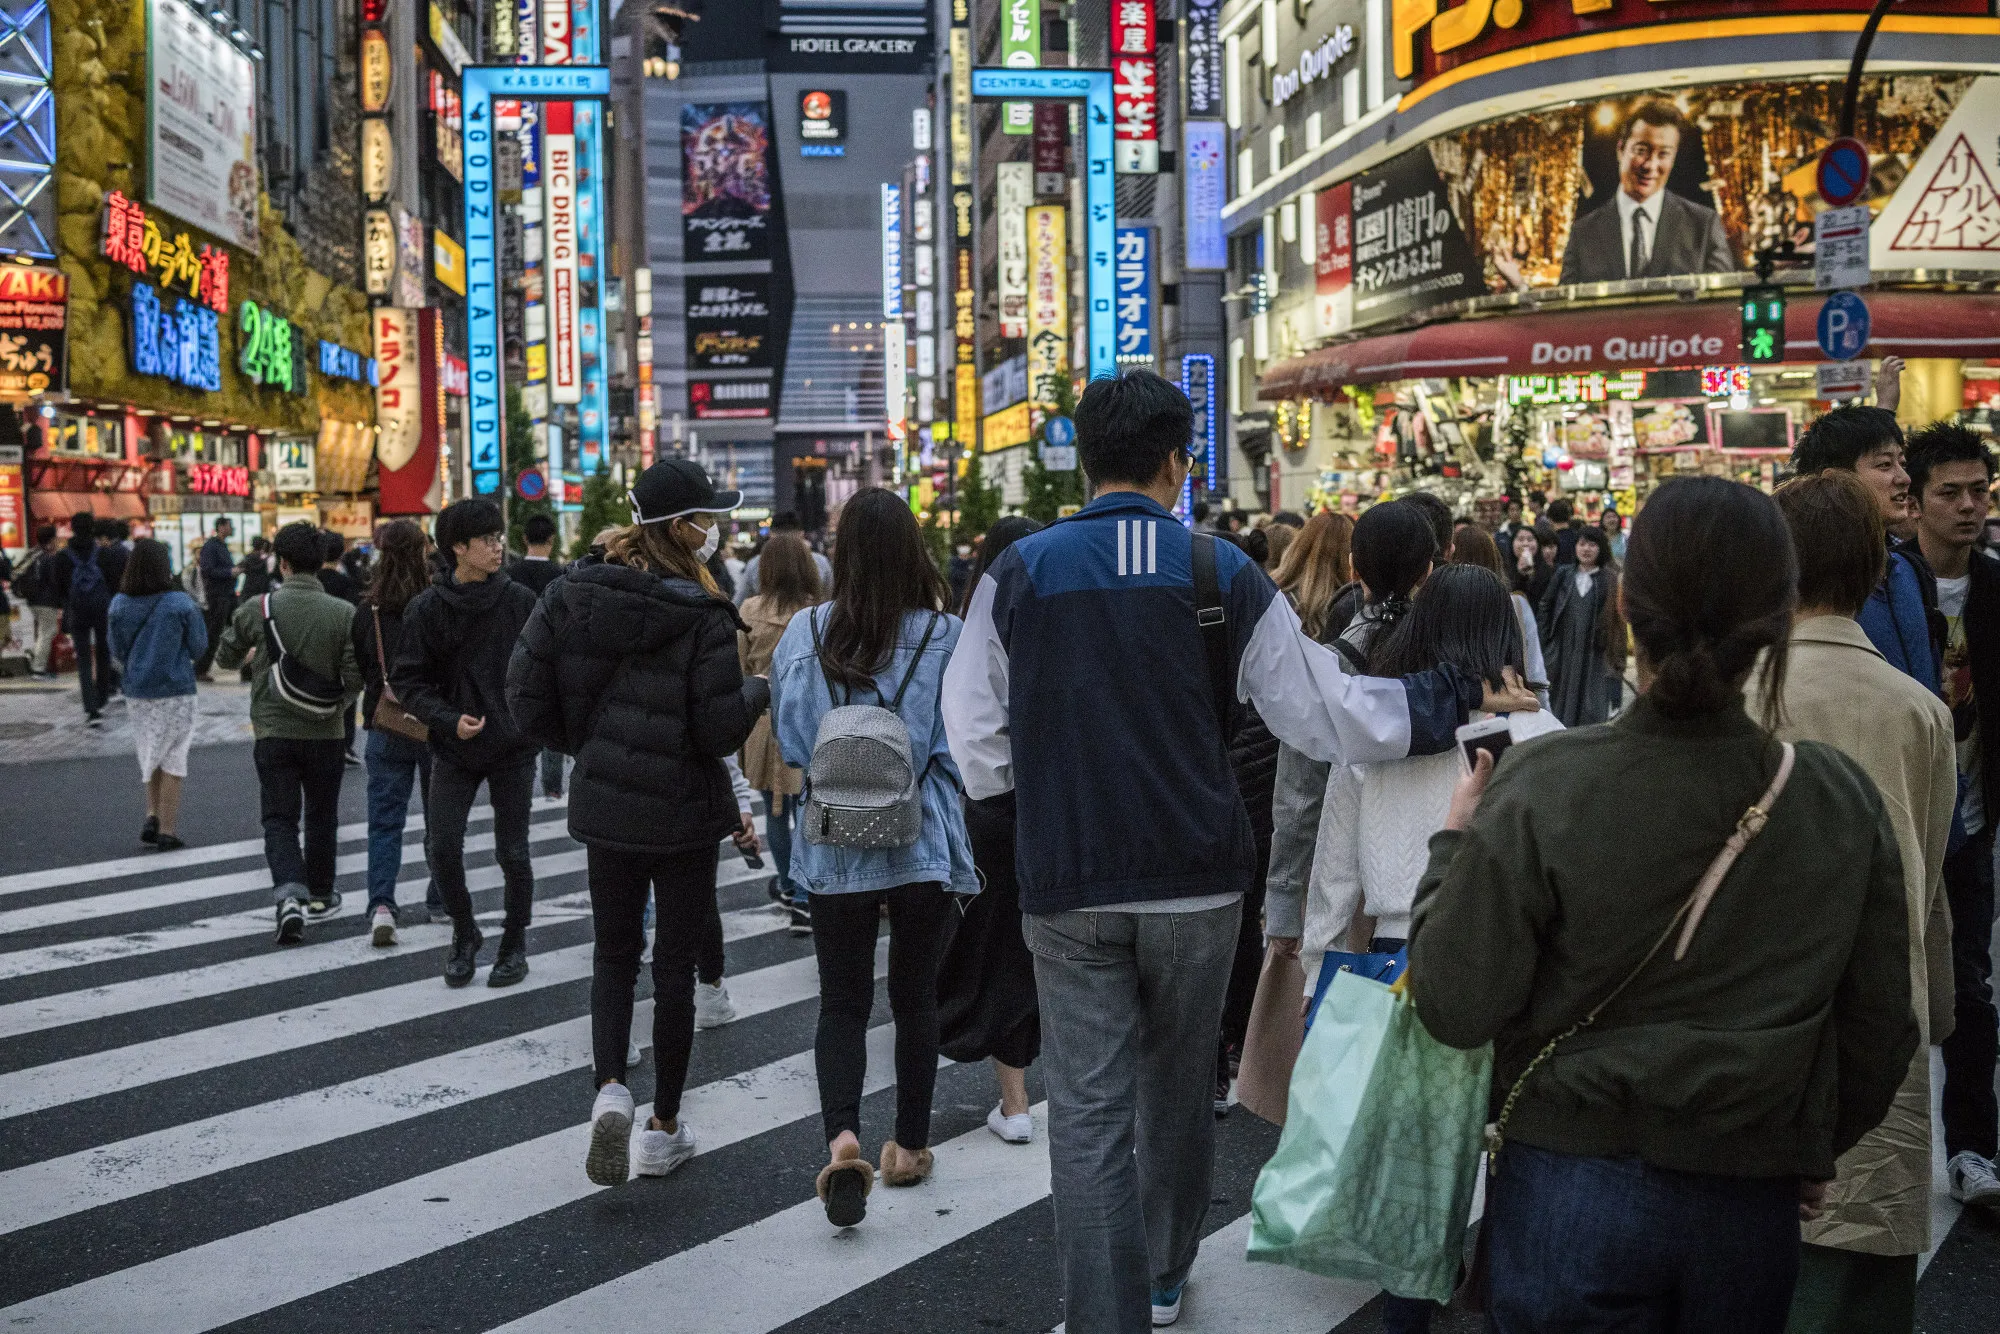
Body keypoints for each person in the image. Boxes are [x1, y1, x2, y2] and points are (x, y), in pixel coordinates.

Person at [940, 370, 1532, 1332]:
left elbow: (971, 738)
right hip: (1198, 881)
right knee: (1177, 1087)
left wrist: (1026, 829)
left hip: (1069, 884)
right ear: (1179, 463)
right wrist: (1451, 698)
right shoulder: (1219, 572)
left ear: (1085, 462)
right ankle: (1170, 1270)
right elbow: (1325, 712)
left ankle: (1107, 1316)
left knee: (1087, 1113)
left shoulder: (1020, 573)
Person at [1408, 476, 1917, 1332]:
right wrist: (1807, 1140)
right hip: (1748, 1191)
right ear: (1779, 613)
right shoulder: (1833, 798)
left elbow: (1455, 1003)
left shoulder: (1547, 783)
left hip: (1568, 1172)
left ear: (1624, 608)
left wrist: (1453, 842)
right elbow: (1879, 1024)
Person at [1305, 564, 1565, 1334]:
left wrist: (1320, 973)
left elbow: (1335, 873)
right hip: (1520, 971)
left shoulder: (1381, 736)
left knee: (1414, 1181)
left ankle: (1408, 1318)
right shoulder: (1544, 738)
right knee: (1517, 1160)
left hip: (1396, 965)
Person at [508, 457, 770, 1186]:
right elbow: (718, 729)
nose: (715, 529)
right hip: (682, 812)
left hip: (607, 806)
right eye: (707, 518)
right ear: (680, 528)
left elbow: (522, 693)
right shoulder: (704, 614)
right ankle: (661, 1128)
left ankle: (609, 1092)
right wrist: (757, 691)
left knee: (613, 954)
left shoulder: (572, 595)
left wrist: (588, 747)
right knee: (675, 970)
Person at [1759, 471, 1957, 1331]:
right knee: (1866, 1259)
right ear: (1880, 569)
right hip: (1885, 1016)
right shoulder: (1920, 711)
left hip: (1758, 1018)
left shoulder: (1745, 695)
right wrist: (1938, 1007)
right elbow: (1934, 869)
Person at [768, 488, 975, 1226]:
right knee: (915, 1000)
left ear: (843, 553)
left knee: (843, 1002)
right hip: (923, 838)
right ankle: (910, 1146)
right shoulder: (947, 636)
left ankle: (842, 1138)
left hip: (834, 841)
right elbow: (966, 743)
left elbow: (794, 744)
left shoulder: (805, 632)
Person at [1903, 421, 2000, 1210]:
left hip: (1969, 825)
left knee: (1972, 987)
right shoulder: (1887, 585)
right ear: (1918, 500)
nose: (1968, 506)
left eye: (1979, 491)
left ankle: (1973, 1148)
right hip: (1898, 819)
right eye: (1951, 493)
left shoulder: (1997, 587)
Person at [392, 499, 540, 988]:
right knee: (442, 846)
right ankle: (464, 931)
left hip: (513, 745)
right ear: (458, 548)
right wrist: (447, 719)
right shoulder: (428, 608)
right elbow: (408, 681)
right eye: (487, 539)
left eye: (500, 537)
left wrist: (534, 721)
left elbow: (543, 666)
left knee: (513, 852)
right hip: (453, 745)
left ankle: (515, 940)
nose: (499, 547)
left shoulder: (519, 600)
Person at [937, 517, 1045, 1145]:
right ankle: (1017, 1100)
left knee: (984, 943)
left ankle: (1010, 1099)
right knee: (1032, 950)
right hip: (1054, 804)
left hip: (979, 808)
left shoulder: (963, 630)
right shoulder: (1060, 621)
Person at [213, 521, 363, 943]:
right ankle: (319, 893)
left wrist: (256, 657)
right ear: (320, 564)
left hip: (273, 729)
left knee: (279, 817)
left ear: (282, 563)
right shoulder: (344, 613)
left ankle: (289, 894)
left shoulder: (257, 609)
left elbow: (224, 659)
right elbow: (355, 676)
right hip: (327, 730)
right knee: (321, 814)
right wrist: (335, 704)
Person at [1793, 404, 1941, 692]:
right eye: (1885, 465)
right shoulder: (1809, 581)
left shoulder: (1910, 571)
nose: (1904, 478)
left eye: (1902, 462)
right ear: (1833, 478)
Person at [352, 519, 442, 942]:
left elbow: (365, 668)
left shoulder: (367, 611)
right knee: (439, 817)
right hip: (434, 722)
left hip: (385, 722)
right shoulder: (438, 603)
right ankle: (440, 897)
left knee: (385, 822)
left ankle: (382, 905)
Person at [737, 530, 822, 934]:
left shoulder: (749, 610)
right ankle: (806, 896)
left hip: (762, 722)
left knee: (775, 809)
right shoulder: (821, 612)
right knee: (809, 807)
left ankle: (788, 885)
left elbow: (738, 671)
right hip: (812, 722)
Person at [1554, 102, 1735, 284]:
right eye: (1641, 150)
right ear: (1620, 150)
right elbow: (1567, 309)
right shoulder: (1584, 234)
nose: (1650, 165)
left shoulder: (1703, 226)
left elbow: (1721, 303)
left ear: (1673, 158)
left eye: (1663, 154)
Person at [108, 539, 208, 852]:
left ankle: (151, 814)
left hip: (137, 691)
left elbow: (116, 651)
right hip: (176, 688)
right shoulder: (179, 603)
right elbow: (199, 646)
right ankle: (167, 829)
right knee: (174, 757)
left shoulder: (119, 604)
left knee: (150, 751)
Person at [1538, 524, 1626, 725]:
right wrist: (1546, 643)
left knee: (1592, 703)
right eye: (1582, 543)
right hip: (1564, 650)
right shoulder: (1564, 575)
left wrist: (1616, 658)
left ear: (1601, 548)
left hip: (1595, 653)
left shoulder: (1609, 579)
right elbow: (1545, 606)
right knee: (1559, 700)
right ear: (1575, 547)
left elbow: (1617, 621)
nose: (1586, 549)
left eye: (1592, 544)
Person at [1453, 525, 1550, 704]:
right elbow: (1535, 669)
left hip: (1458, 706)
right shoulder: (1516, 605)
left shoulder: (1440, 606)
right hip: (1510, 707)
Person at [507, 512, 568, 798]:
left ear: (524, 538)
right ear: (552, 540)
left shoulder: (509, 575)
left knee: (516, 714)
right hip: (552, 659)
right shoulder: (561, 576)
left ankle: (518, 779)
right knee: (551, 722)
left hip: (514, 655)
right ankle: (552, 789)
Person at [50, 512, 117, 726]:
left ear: (72, 528)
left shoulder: (62, 557)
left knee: (84, 657)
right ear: (93, 529)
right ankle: (103, 695)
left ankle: (90, 706)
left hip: (77, 610)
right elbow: (115, 584)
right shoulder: (105, 554)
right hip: (102, 609)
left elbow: (58, 587)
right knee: (104, 652)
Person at [735, 510, 832, 605]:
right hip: (810, 618)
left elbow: (740, 600)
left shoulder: (756, 563)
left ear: (771, 534)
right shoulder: (820, 561)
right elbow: (830, 598)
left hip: (765, 618)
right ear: (801, 534)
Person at [16, 524, 63, 678]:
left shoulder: (32, 553)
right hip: (47, 601)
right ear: (52, 539)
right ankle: (38, 667)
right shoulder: (49, 558)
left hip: (32, 600)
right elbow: (54, 582)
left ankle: (34, 655)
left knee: (46, 631)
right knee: (47, 632)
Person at [193, 516, 236, 681]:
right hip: (217, 596)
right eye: (229, 525)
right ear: (221, 527)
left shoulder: (221, 546)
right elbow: (208, 570)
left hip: (226, 594)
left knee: (224, 631)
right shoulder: (211, 547)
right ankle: (200, 668)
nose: (231, 529)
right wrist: (230, 573)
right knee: (213, 633)